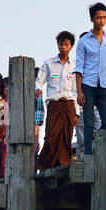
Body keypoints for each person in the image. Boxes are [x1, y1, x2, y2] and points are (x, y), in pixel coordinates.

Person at [75, 2, 106, 154]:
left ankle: (100, 150)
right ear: (92, 19)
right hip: (88, 86)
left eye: (104, 17)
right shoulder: (83, 41)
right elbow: (78, 68)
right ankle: (89, 156)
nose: (101, 21)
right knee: (89, 122)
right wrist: (79, 91)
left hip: (104, 86)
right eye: (98, 17)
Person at [36, 32, 78, 169]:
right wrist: (38, 88)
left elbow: (77, 90)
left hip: (69, 104)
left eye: (66, 44)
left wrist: (77, 112)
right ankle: (45, 165)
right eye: (61, 44)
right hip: (54, 104)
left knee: (67, 135)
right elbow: (39, 80)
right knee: (51, 136)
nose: (63, 47)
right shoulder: (48, 63)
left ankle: (64, 165)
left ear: (71, 46)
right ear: (57, 45)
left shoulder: (75, 66)